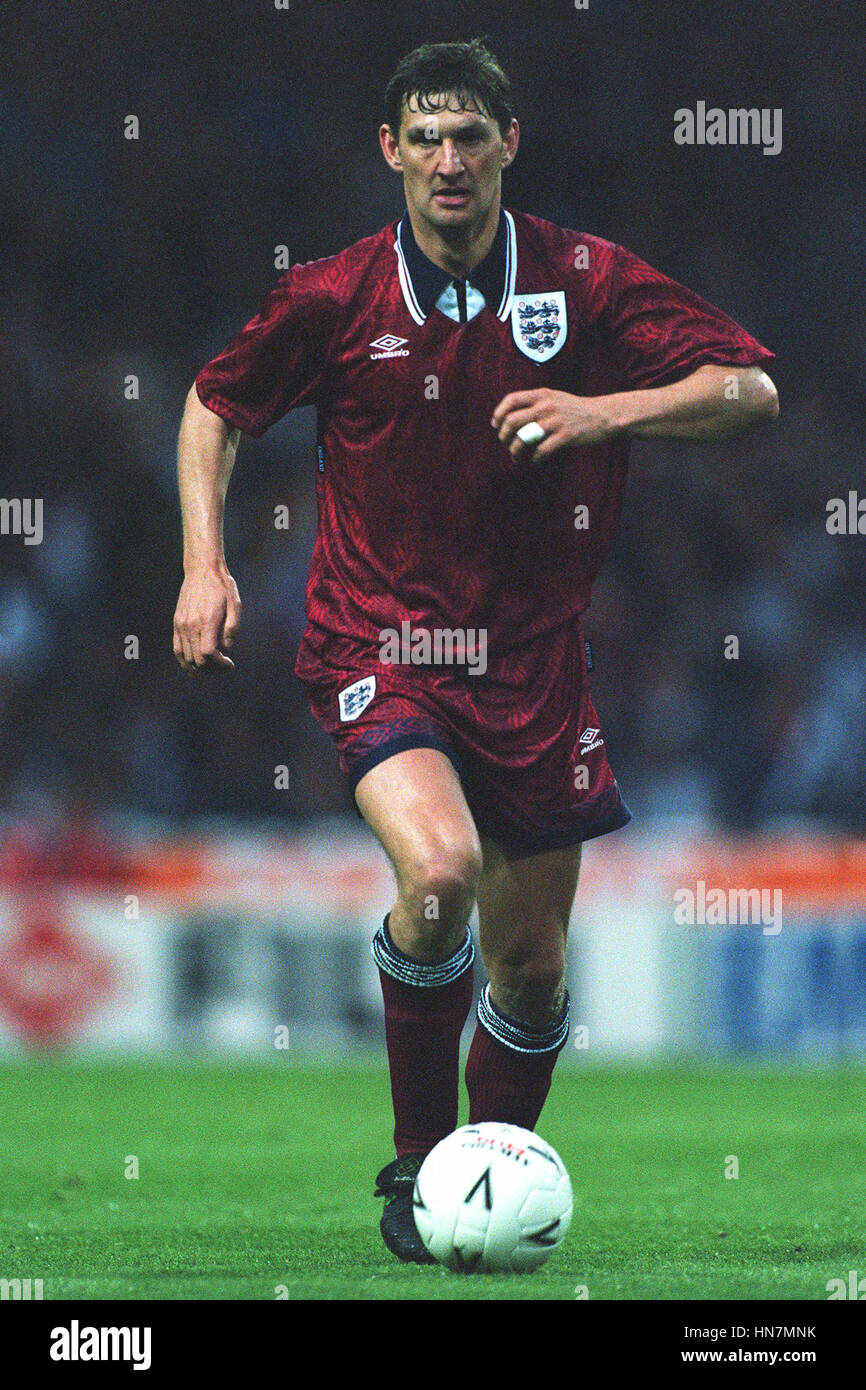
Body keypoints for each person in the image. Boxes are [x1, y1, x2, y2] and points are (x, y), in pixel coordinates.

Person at [173, 39, 778, 1263]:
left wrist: (605, 410)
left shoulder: (585, 282)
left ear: (509, 143)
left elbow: (748, 389)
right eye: (425, 136)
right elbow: (213, 406)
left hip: (533, 666)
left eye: (470, 135)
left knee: (534, 966)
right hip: (378, 640)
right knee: (437, 869)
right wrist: (204, 561)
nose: (449, 158)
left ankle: (476, 1195)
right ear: (390, 152)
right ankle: (413, 1170)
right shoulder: (334, 296)